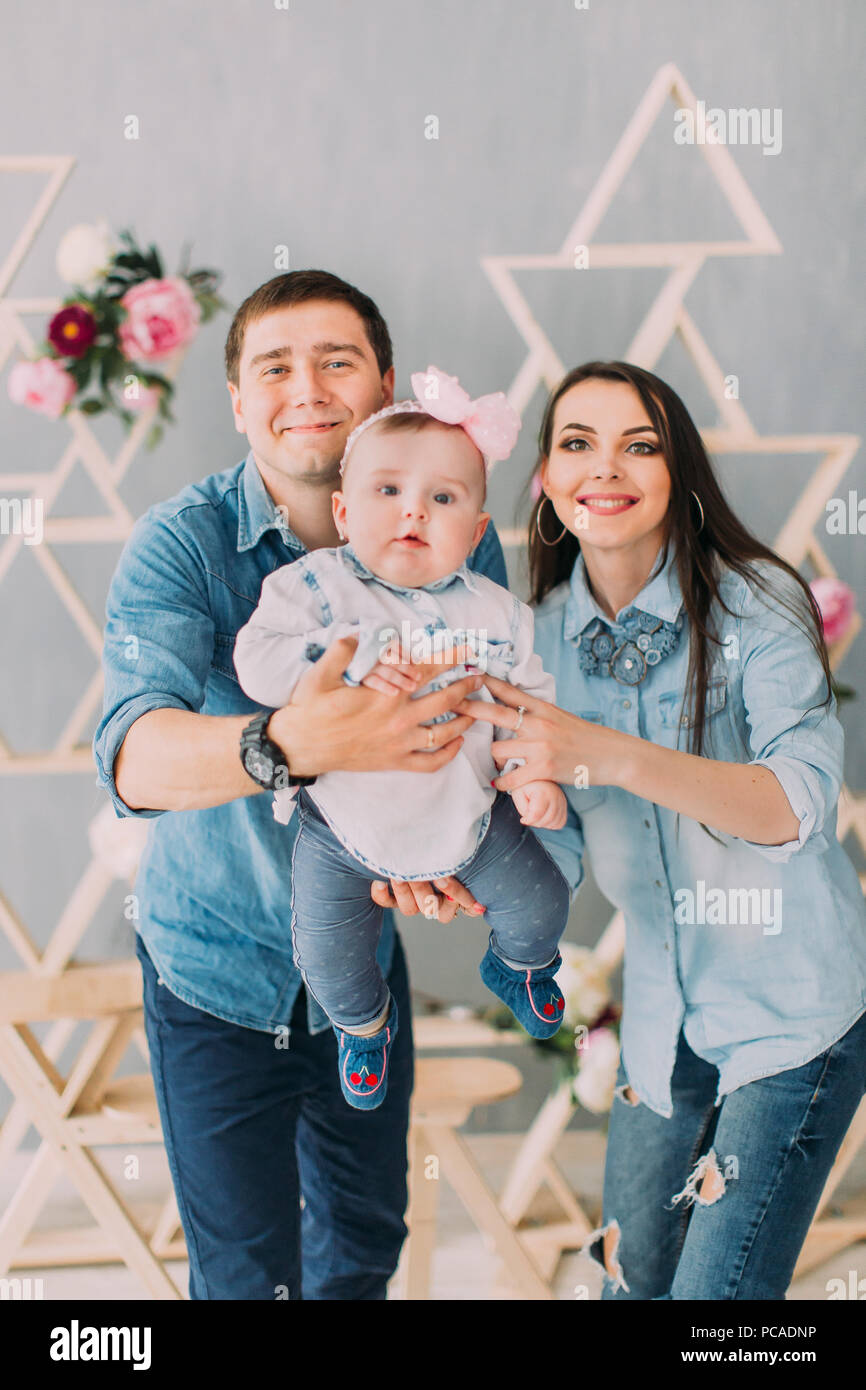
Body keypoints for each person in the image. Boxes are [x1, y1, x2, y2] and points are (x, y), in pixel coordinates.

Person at [92, 270, 507, 1300]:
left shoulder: (454, 523)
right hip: (213, 972)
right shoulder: (182, 545)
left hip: (361, 965)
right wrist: (284, 741)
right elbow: (132, 757)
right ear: (238, 401)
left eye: (335, 361)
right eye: (274, 367)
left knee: (365, 1246)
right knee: (245, 1276)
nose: (306, 386)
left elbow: (474, 733)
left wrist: (445, 849)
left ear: (384, 387)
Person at [457, 360, 866, 1300]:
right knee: (626, 1290)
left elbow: (797, 806)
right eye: (577, 444)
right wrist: (460, 869)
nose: (607, 466)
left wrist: (604, 750)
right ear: (549, 487)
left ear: (679, 474)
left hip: (792, 1021)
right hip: (661, 1026)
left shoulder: (757, 602)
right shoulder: (536, 637)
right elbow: (553, 839)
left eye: (640, 444)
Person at [233, 366, 571, 1109]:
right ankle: (364, 1025)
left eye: (442, 499)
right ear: (343, 511)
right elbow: (255, 663)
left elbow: (527, 703)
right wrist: (331, 660)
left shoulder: (496, 614)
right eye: (388, 492)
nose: (413, 512)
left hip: (473, 818)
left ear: (477, 532)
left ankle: (522, 966)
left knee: (543, 902)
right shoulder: (317, 589)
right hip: (340, 829)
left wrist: (535, 775)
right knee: (327, 953)